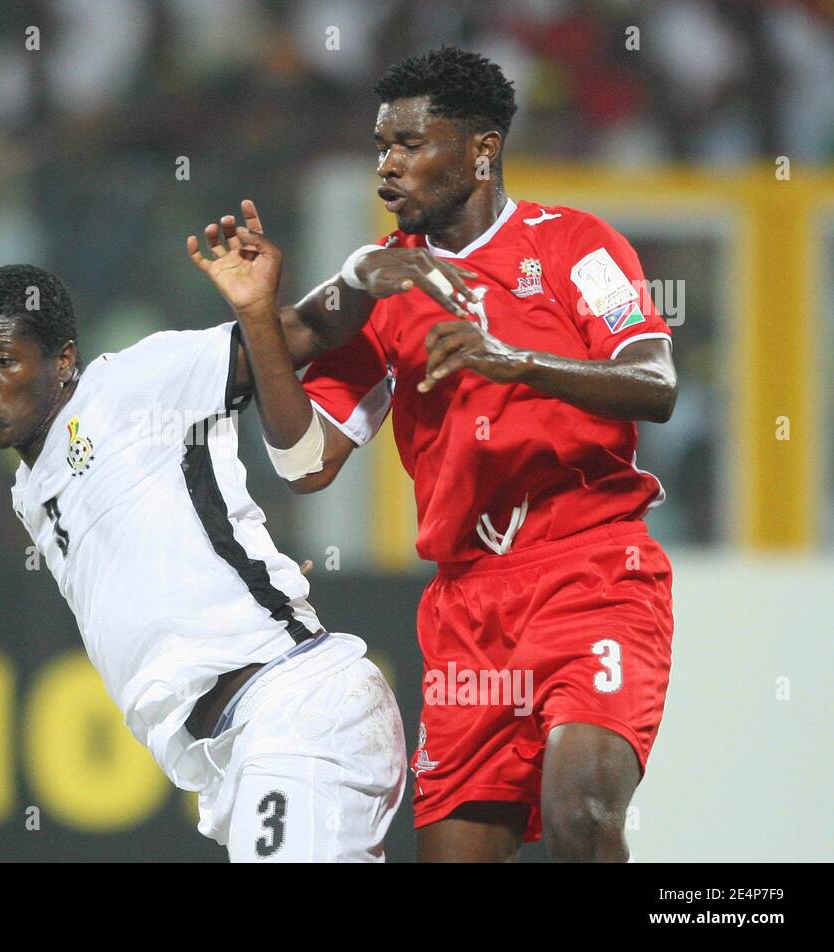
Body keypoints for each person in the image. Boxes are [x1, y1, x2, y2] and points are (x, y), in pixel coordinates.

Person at [198, 47, 677, 862]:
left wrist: (516, 361)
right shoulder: (385, 289)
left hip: (590, 575)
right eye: (382, 145)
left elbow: (654, 379)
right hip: (467, 612)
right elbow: (303, 461)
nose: (387, 165)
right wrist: (258, 316)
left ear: (481, 150)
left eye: (411, 144)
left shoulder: (575, 247)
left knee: (583, 816)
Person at [0, 263, 405, 862]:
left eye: (3, 360)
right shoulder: (27, 491)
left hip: (293, 710)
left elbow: (304, 331)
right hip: (232, 754)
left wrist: (368, 274)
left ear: (62, 361)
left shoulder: (134, 385)